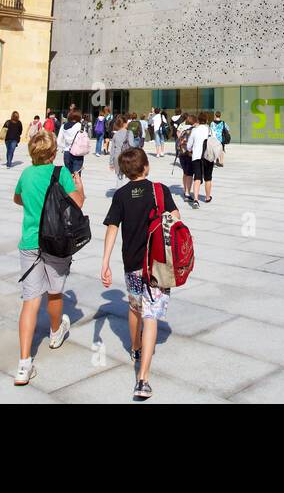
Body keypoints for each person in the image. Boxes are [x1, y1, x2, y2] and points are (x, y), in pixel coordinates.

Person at [101, 146, 181, 402]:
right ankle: (143, 379)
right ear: (146, 166)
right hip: (156, 264)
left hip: (131, 264)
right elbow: (176, 219)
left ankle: (135, 348)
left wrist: (105, 262)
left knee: (135, 307)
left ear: (124, 172)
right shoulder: (160, 190)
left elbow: (112, 228)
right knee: (151, 315)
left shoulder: (121, 195)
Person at [13, 130, 82, 385]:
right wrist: (80, 190)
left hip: (30, 242)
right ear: (53, 153)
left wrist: (35, 206)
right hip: (56, 241)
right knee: (54, 293)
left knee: (30, 301)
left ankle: (23, 364)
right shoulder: (60, 173)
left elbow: (17, 198)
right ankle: (55, 333)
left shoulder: (26, 174)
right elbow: (77, 204)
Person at [184, 112, 214, 208]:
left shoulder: (195, 131)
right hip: (208, 156)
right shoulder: (209, 130)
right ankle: (207, 197)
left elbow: (188, 146)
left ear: (198, 120)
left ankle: (196, 199)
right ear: (206, 120)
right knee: (208, 178)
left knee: (197, 178)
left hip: (196, 157)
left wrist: (191, 150)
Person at [56, 106, 87, 190]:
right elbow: (85, 138)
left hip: (66, 152)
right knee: (77, 175)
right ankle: (77, 193)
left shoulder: (63, 126)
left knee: (68, 174)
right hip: (77, 152)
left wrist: (65, 147)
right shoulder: (79, 126)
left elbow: (58, 141)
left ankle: (68, 191)